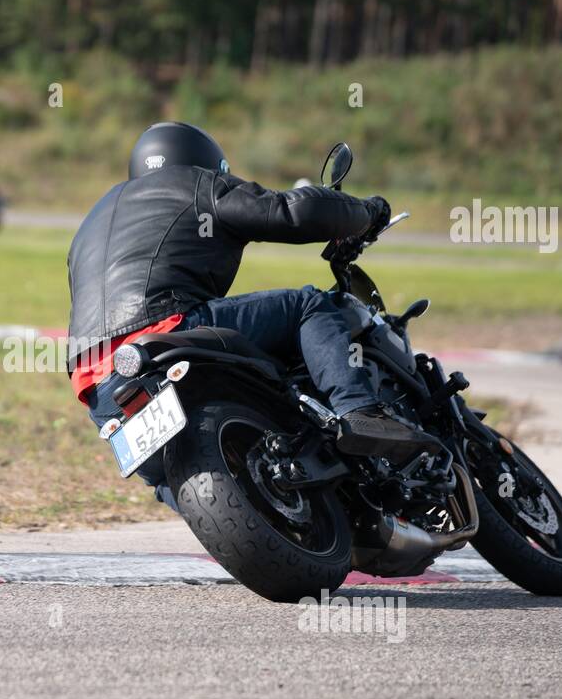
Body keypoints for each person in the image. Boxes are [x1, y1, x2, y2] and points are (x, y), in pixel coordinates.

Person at [66, 121, 438, 509]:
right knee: (308, 305)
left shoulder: (89, 224)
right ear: (203, 162)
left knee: (163, 477)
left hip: (95, 378)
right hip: (167, 325)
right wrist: (365, 213)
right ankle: (358, 410)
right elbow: (291, 211)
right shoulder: (193, 182)